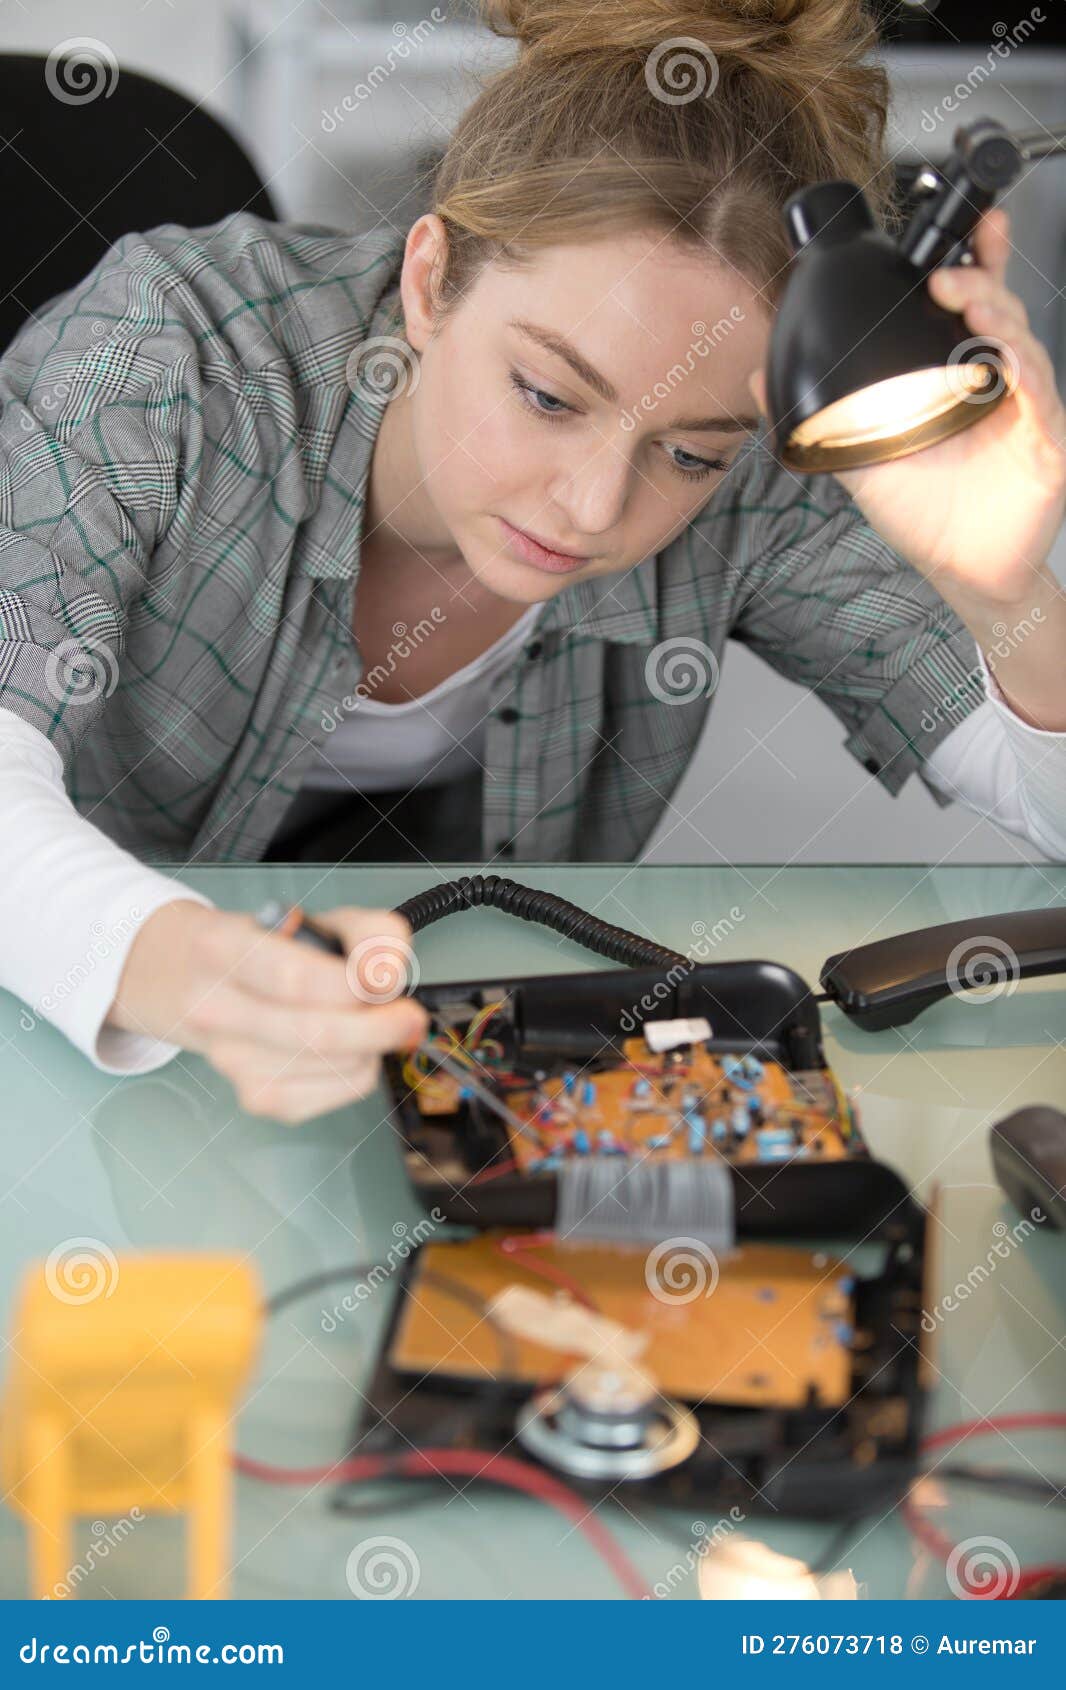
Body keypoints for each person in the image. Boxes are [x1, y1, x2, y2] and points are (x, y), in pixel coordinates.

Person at [1, 0, 1064, 1125]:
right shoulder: (167, 353)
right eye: (550, 395)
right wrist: (195, 975)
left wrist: (1004, 596)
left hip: (451, 1094)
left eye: (690, 453)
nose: (595, 505)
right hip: (74, 1044)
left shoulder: (763, 472)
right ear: (429, 277)